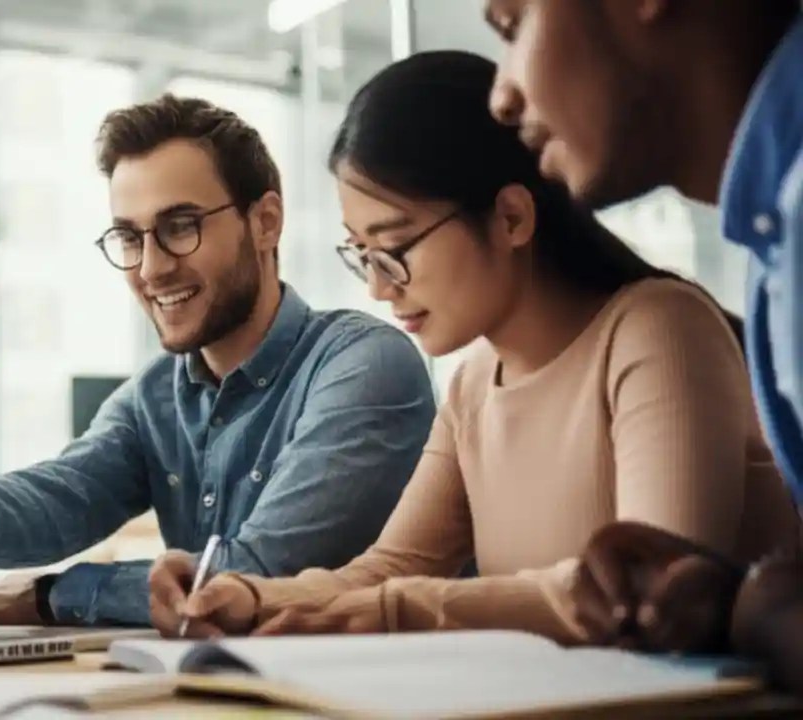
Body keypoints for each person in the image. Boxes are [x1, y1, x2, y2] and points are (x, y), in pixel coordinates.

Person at [148, 50, 798, 643]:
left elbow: (646, 595)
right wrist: (247, 595)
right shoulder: (474, 382)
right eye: (362, 254)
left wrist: (390, 611)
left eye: (395, 249)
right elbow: (394, 566)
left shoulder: (659, 330)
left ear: (512, 217)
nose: (378, 288)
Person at [0, 94, 436, 628]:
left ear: (265, 222)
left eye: (179, 227)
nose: (151, 269)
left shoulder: (365, 366)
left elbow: (256, 570)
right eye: (130, 238)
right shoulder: (156, 394)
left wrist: (56, 595)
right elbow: (70, 490)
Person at [484, 0, 803, 681]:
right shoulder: (771, 236)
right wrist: (727, 598)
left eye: (512, 25)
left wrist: (758, 603)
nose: (502, 96)